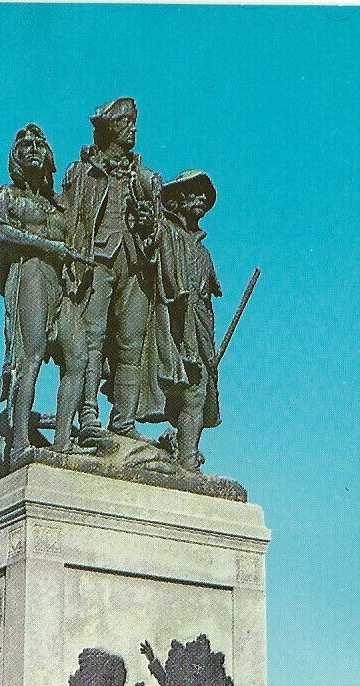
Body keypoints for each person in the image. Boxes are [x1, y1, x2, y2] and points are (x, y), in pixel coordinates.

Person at [62, 98, 181, 443]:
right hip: (95, 260)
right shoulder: (81, 172)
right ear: (108, 127)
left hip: (135, 262)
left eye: (134, 121)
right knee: (91, 337)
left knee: (132, 344)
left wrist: (148, 226)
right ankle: (87, 415)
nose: (133, 127)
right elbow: (68, 219)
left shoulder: (146, 178)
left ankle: (124, 421)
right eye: (125, 121)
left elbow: (158, 230)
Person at [0, 124, 90, 467]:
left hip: (60, 282)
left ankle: (62, 444)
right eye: (25, 145)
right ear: (15, 157)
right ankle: (19, 445)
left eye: (39, 145)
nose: (33, 149)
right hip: (29, 272)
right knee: (30, 358)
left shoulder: (61, 207)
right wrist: (48, 245)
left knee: (78, 358)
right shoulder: (6, 195)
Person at [159, 170, 222, 471]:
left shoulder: (205, 253)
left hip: (200, 330)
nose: (199, 199)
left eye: (203, 195)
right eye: (192, 193)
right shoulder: (168, 235)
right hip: (168, 326)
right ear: (178, 200)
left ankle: (188, 458)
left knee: (197, 392)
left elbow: (208, 301)